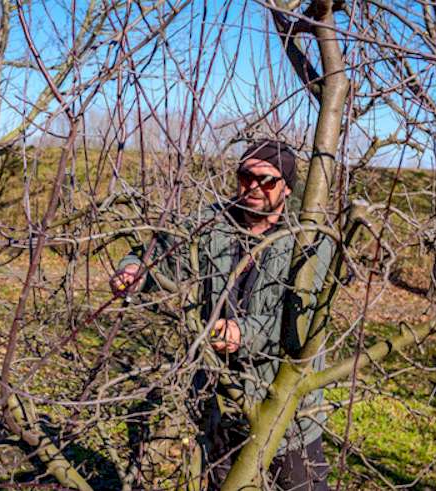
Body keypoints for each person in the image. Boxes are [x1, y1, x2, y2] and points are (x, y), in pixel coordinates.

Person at [110, 140, 333, 490]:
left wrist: (243, 333)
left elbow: (305, 320)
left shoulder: (309, 240)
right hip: (220, 404)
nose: (254, 187)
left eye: (268, 180)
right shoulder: (209, 225)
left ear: (287, 188)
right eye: (246, 176)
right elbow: (158, 255)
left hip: (286, 411)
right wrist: (134, 271)